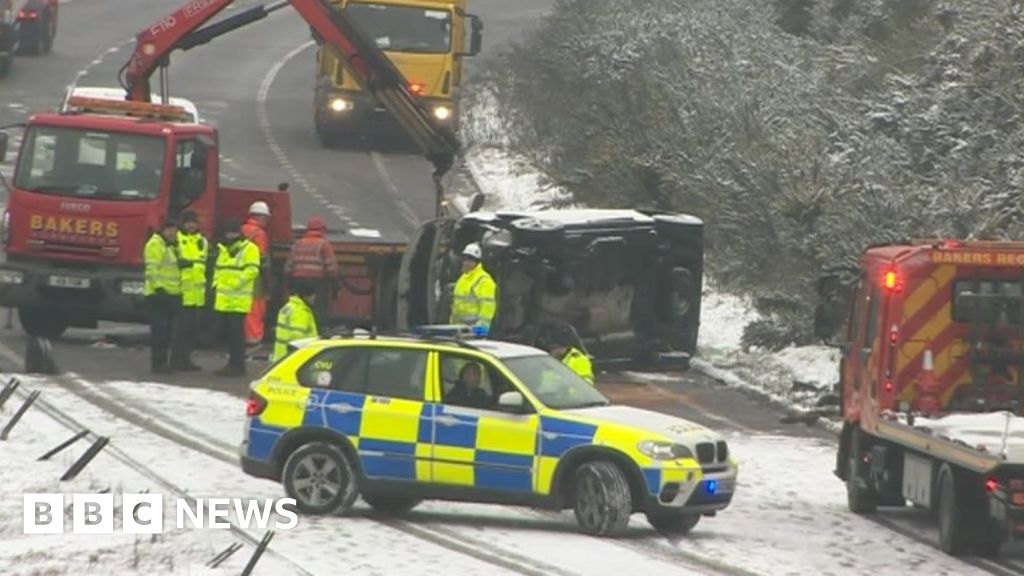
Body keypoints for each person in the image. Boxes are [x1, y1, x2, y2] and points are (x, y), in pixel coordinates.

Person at [213, 218, 261, 376]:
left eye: (233, 232)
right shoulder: (224, 249)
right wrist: (216, 284)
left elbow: (252, 271)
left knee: (237, 336)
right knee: (230, 335)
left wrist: (234, 283)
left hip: (238, 299)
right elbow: (219, 269)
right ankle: (232, 364)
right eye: (228, 232)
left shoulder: (249, 249)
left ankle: (237, 366)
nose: (230, 235)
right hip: (224, 299)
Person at [169, 210, 207, 371]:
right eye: (188, 222)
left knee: (191, 331)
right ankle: (176, 359)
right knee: (179, 330)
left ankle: (186, 359)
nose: (191, 226)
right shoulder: (177, 240)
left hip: (196, 295)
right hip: (181, 293)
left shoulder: (202, 241)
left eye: (193, 222)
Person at [284, 216, 338, 326]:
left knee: (298, 308)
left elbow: (288, 266)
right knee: (317, 312)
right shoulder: (324, 244)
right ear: (322, 230)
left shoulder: (298, 244)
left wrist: (288, 284)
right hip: (317, 283)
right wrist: (335, 286)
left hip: (297, 281)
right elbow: (331, 267)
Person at [144, 219, 181, 374]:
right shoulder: (155, 245)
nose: (173, 233)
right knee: (160, 332)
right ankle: (158, 364)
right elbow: (152, 269)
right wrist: (159, 288)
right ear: (163, 230)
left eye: (174, 230)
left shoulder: (171, 246)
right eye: (170, 230)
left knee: (167, 333)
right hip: (159, 295)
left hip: (172, 294)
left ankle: (163, 363)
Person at [449, 243, 496, 335]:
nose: (467, 263)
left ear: (477, 262)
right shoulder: (462, 278)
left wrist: (480, 331)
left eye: (470, 260)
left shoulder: (484, 280)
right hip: (458, 331)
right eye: (465, 259)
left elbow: (487, 309)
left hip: (474, 332)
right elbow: (455, 306)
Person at [242, 201, 271, 347]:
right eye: (266, 218)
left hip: (240, 275)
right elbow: (262, 257)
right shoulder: (259, 234)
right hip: (255, 276)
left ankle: (245, 335)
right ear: (260, 217)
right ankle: (254, 338)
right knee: (256, 307)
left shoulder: (242, 229)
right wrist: (268, 279)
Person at [273, 281, 319, 362]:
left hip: (280, 356)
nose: (314, 298)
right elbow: (297, 339)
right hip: (294, 358)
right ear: (306, 296)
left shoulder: (287, 307)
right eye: (313, 295)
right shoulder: (301, 311)